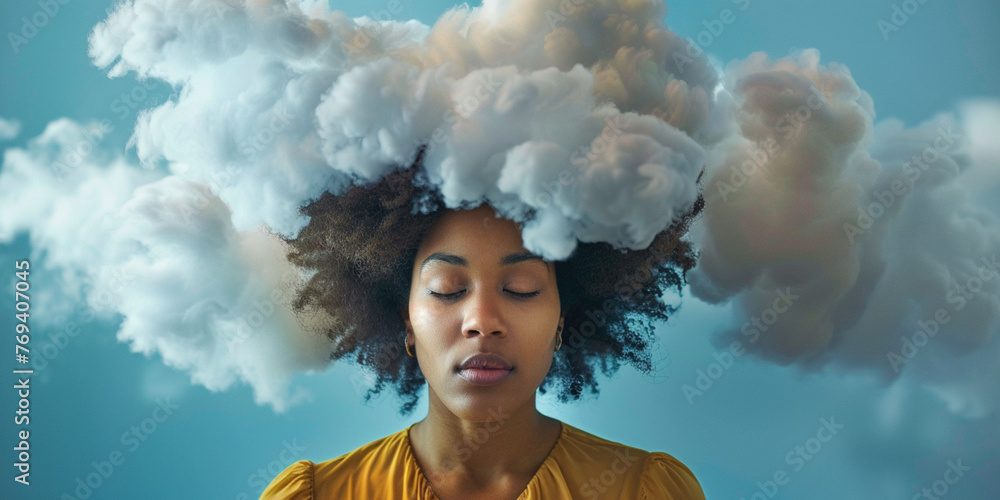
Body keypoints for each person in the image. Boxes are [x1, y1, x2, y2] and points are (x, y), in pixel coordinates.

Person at [260, 162, 706, 499]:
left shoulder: (642, 491)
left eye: (521, 289)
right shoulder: (319, 495)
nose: (482, 322)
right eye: (447, 290)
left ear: (561, 321)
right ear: (406, 319)